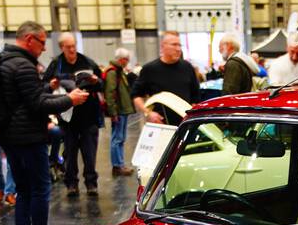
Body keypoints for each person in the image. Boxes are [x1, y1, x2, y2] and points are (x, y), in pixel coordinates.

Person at [0, 21, 89, 225]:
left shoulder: (3, 61)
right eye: (42, 42)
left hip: (9, 135)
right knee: (39, 189)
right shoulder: (23, 65)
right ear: (29, 40)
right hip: (28, 138)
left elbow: (23, 99)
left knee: (23, 190)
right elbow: (36, 104)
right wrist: (69, 100)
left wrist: (46, 89)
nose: (44, 48)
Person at [43, 33, 104, 194]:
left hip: (88, 115)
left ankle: (91, 183)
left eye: (74, 46)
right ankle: (71, 184)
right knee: (69, 153)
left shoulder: (87, 62)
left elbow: (101, 84)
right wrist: (51, 85)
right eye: (68, 47)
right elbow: (43, 88)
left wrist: (95, 81)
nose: (72, 50)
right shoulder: (56, 64)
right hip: (66, 117)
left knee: (89, 153)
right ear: (62, 47)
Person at [132, 30, 200, 126]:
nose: (178, 49)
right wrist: (148, 113)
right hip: (161, 125)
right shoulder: (150, 69)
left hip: (185, 125)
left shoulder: (187, 67)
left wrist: (192, 116)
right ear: (163, 46)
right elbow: (136, 95)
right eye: (174, 45)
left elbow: (196, 97)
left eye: (180, 45)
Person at [103, 48, 136, 176]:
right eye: (126, 60)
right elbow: (110, 93)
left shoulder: (118, 71)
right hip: (119, 111)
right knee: (117, 139)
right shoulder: (113, 72)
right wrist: (113, 113)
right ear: (122, 59)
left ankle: (120, 164)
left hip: (122, 110)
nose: (127, 62)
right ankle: (117, 166)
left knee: (120, 138)